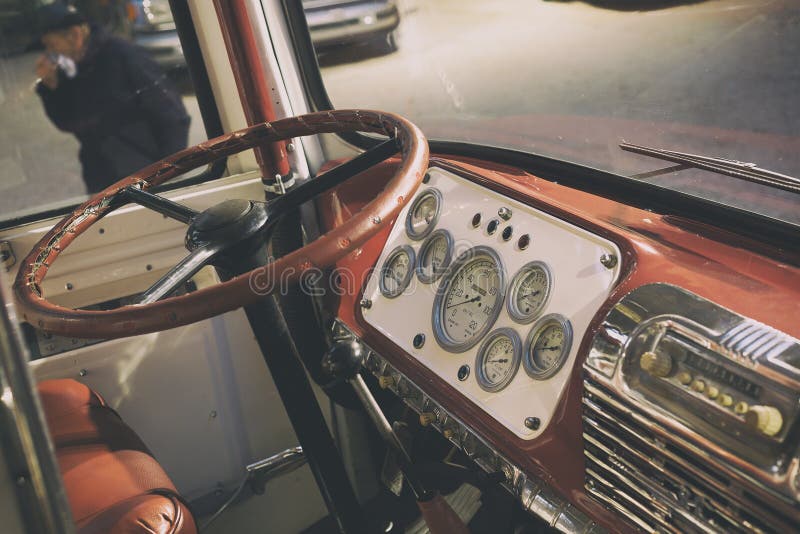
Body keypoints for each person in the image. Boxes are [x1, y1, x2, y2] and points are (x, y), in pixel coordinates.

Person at [35, 3, 190, 193]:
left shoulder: (124, 55)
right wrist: (51, 89)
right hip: (102, 178)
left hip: (142, 175)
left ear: (75, 35)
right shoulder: (71, 68)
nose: (51, 52)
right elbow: (69, 123)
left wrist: (166, 175)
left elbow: (173, 115)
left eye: (52, 44)